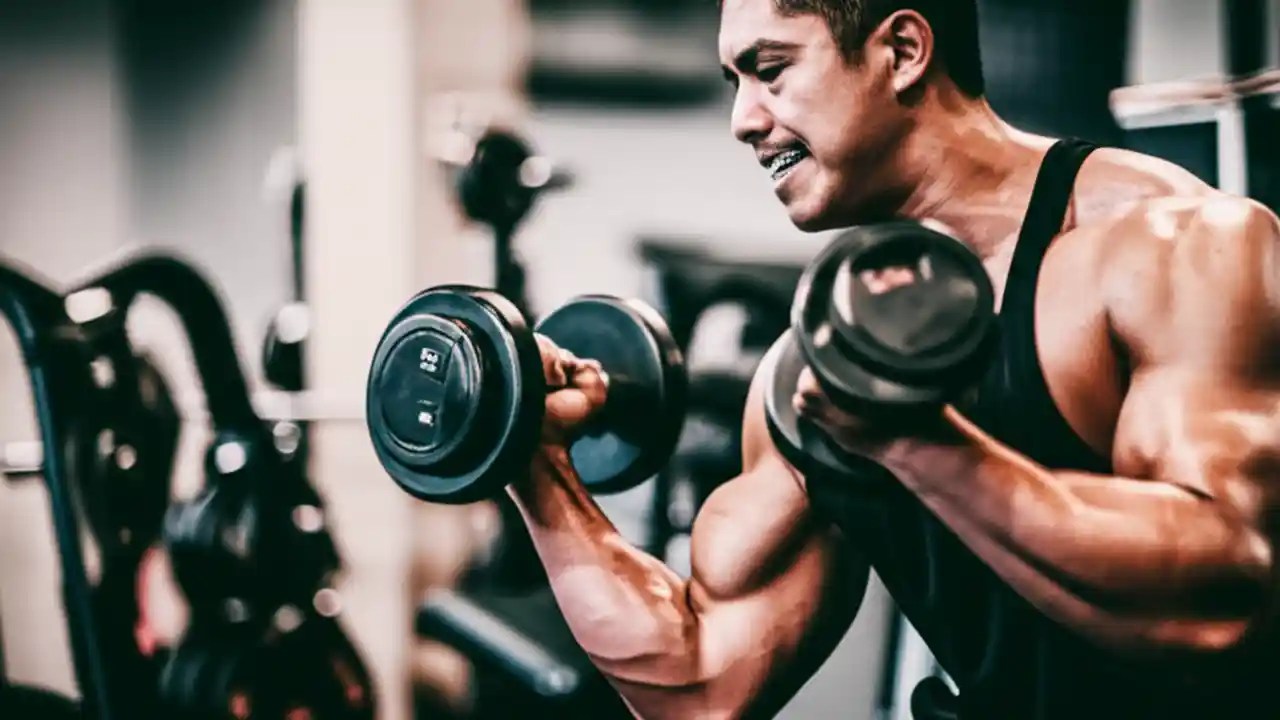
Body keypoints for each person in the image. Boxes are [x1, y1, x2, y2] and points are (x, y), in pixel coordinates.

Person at [506, 0, 1280, 717]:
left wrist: (919, 445)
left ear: (903, 51)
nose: (743, 120)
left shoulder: (1174, 250)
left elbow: (1220, 600)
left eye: (771, 70)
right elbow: (703, 683)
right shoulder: (816, 365)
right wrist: (533, 460)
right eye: (733, 82)